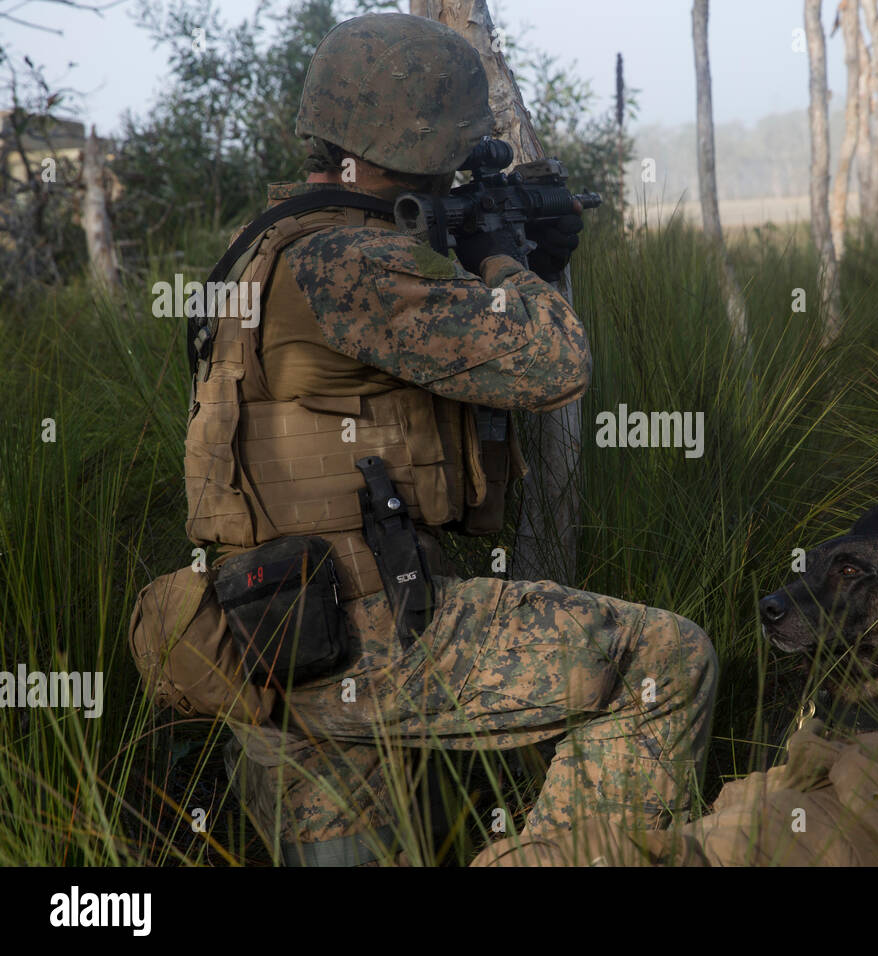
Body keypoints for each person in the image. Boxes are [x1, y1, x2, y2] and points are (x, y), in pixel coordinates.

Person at [184, 12, 717, 866]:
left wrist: (497, 246)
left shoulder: (270, 249)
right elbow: (551, 362)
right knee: (667, 658)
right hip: (369, 630)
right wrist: (507, 258)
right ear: (414, 137)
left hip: (271, 633)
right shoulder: (347, 263)